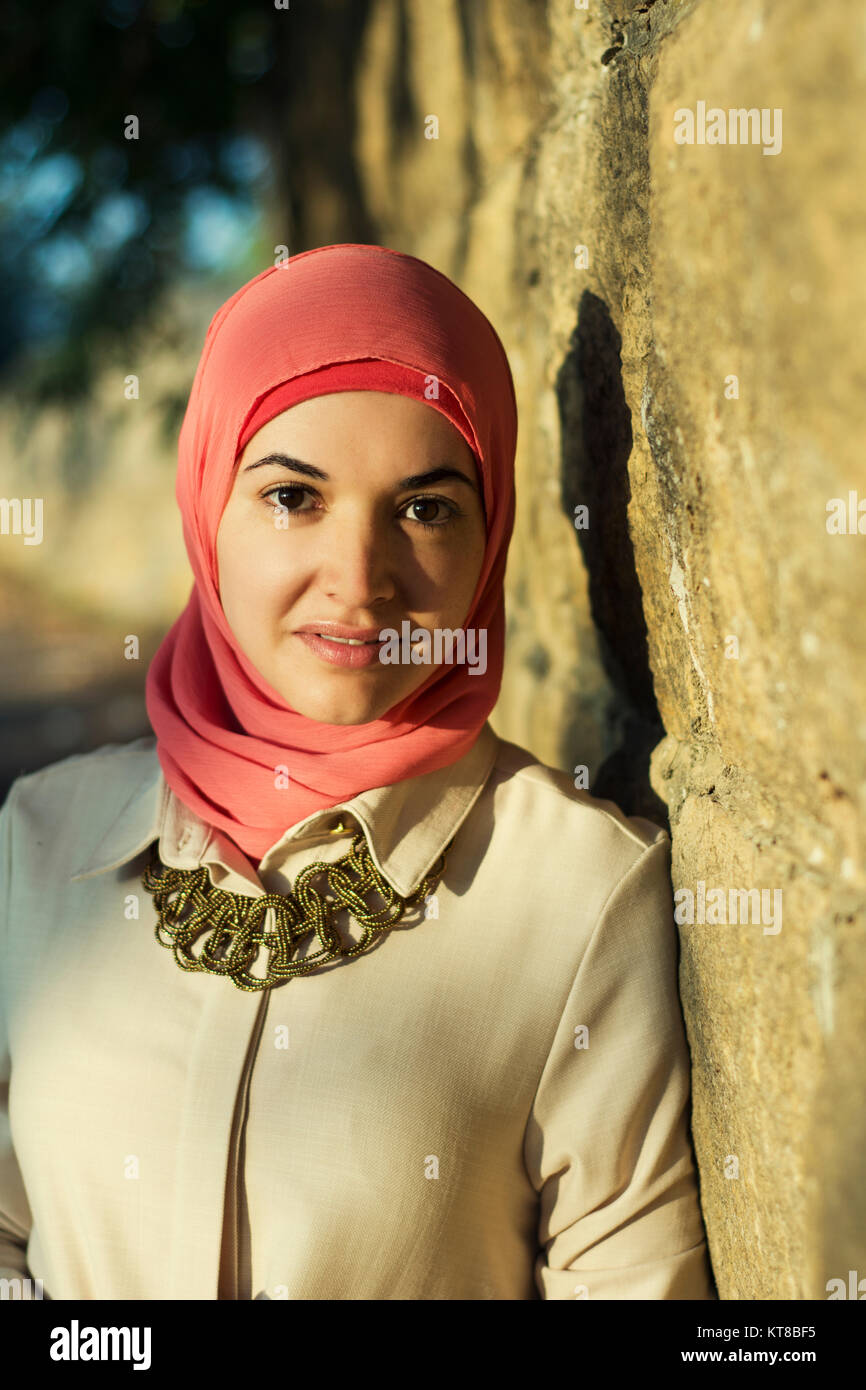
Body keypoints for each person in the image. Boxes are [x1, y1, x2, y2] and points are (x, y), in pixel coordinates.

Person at [0, 244, 716, 1300]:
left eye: (424, 508)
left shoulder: (575, 893)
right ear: (206, 506)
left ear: (491, 531)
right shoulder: (37, 843)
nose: (359, 580)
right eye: (294, 497)